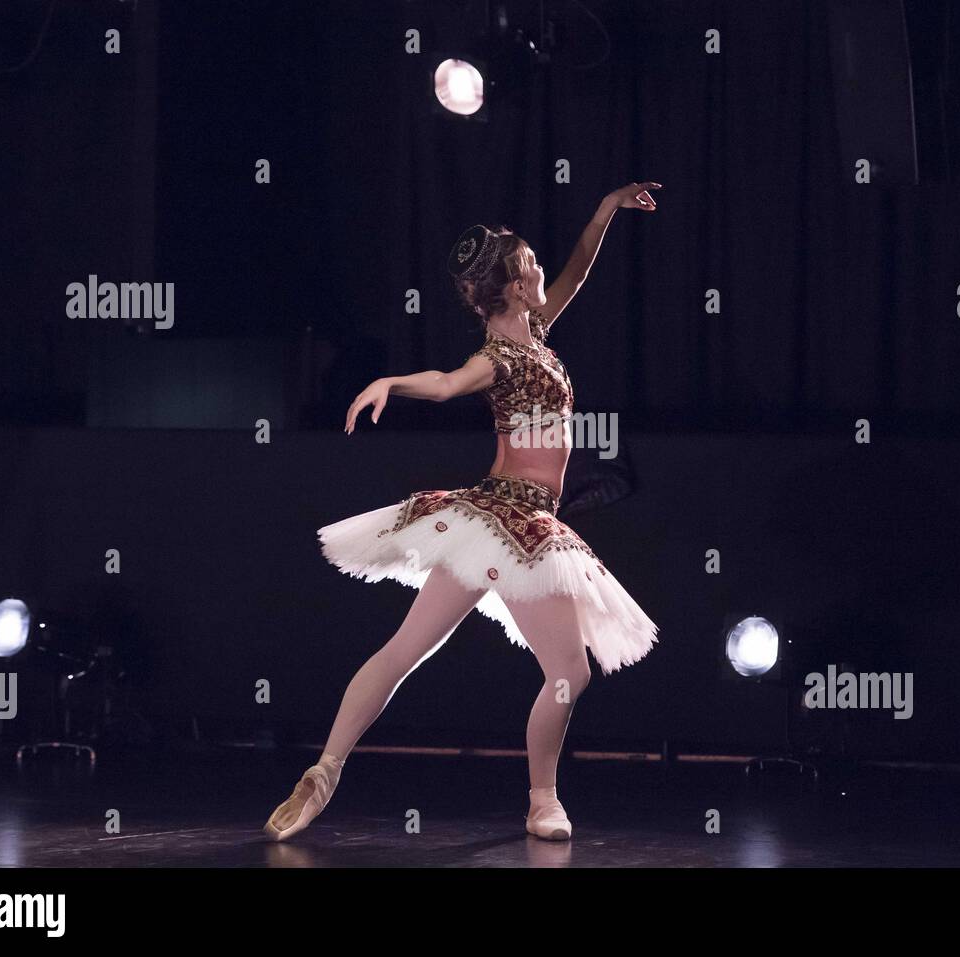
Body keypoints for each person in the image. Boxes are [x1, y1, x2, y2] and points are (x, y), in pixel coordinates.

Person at [263, 182, 663, 843]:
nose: (543, 270)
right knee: (570, 670)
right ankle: (542, 800)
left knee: (404, 651)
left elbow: (581, 262)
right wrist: (392, 381)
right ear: (508, 287)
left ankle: (329, 768)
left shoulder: (535, 330)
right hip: (518, 525)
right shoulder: (499, 356)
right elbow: (447, 383)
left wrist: (606, 208)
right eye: (531, 263)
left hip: (489, 525)